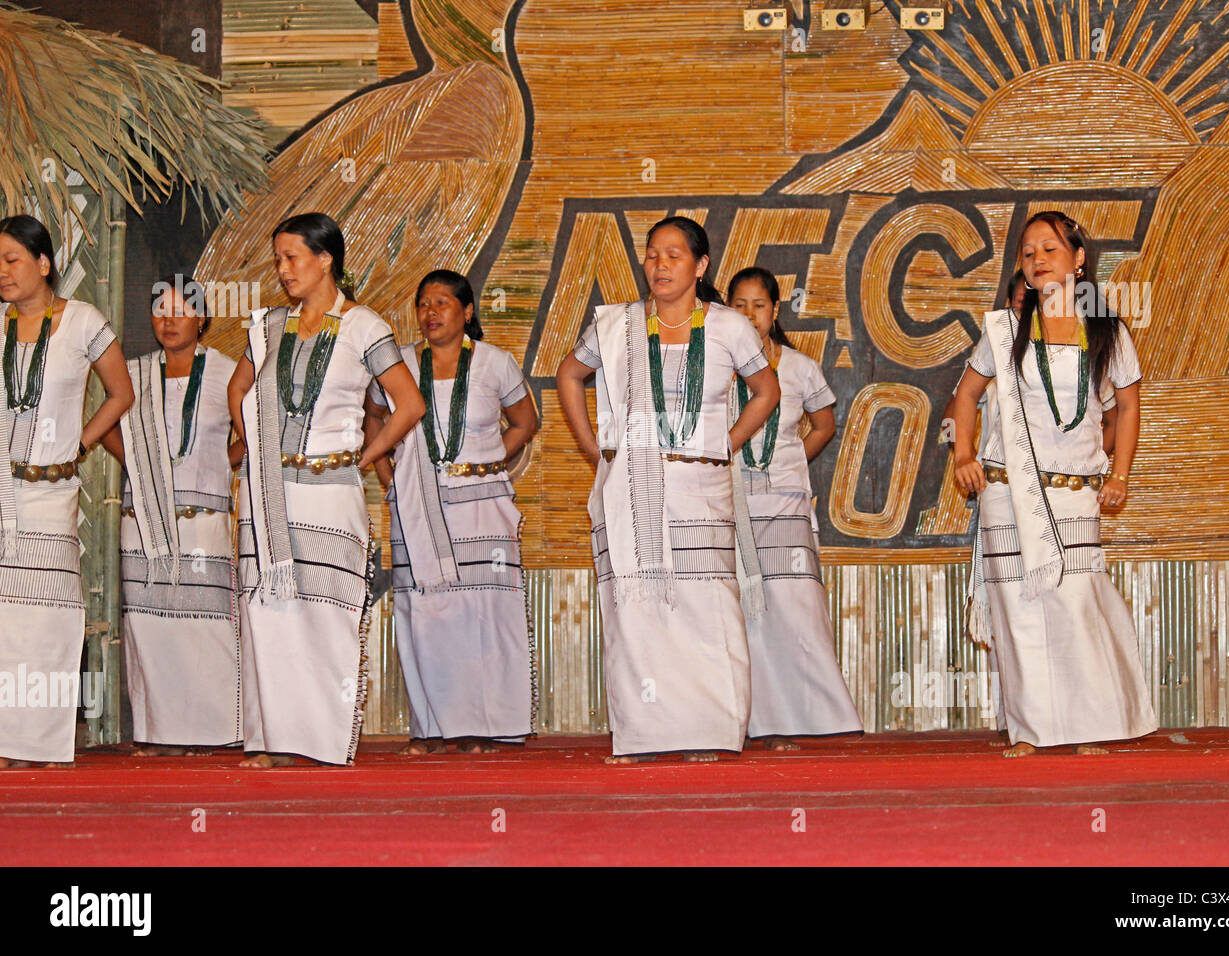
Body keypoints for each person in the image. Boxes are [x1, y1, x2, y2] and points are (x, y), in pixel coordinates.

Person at [556, 216, 780, 763]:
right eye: (652, 254)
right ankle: (645, 734)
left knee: (707, 609)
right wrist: (594, 449)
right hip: (631, 484)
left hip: (700, 486)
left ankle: (713, 731)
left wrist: (725, 442)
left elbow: (766, 391)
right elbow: (568, 375)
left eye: (674, 255)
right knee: (637, 613)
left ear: (701, 267)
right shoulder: (618, 324)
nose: (660, 265)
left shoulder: (727, 325)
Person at [950, 210, 1157, 756]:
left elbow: (1128, 405)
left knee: (1076, 607)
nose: (1037, 260)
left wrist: (1121, 474)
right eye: (1028, 253)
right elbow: (966, 396)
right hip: (1007, 491)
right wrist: (963, 454)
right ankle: (1031, 732)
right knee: (1020, 612)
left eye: (1050, 249)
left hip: (1074, 493)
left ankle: (1087, 724)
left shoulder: (1108, 328)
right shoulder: (1004, 329)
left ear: (1079, 258)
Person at [227, 213, 424, 768]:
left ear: (325, 259)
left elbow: (408, 405)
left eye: (292, 258)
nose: (283, 269)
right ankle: (273, 741)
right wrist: (257, 442)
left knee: (325, 617)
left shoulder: (365, 326)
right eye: (278, 260)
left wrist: (361, 456)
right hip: (268, 495)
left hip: (329, 493)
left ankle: (321, 741)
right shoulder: (266, 327)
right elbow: (237, 388)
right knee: (269, 616)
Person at [365, 270, 538, 755]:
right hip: (416, 505)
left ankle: (489, 726)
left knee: (485, 614)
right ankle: (432, 729)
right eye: (423, 304)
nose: (431, 313)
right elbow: (374, 415)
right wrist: (385, 469)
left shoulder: (494, 362)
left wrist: (486, 466)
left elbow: (526, 421)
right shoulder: (399, 363)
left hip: (482, 510)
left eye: (443, 303)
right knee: (427, 614)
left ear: (467, 312)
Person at [0, 214, 134, 768]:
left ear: (43, 263)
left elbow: (121, 393)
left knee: (48, 620)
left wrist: (77, 446)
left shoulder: (82, 321)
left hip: (52, 496)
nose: (2, 272)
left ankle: (40, 743)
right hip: (1, 490)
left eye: (11, 260)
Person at [102, 275, 244, 756]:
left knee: (207, 628)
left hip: (202, 519)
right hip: (142, 519)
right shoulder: (133, 373)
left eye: (180, 310)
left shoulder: (228, 373)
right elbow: (104, 426)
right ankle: (160, 734)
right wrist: (141, 470)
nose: (168, 320)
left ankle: (216, 730)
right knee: (151, 628)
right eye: (160, 310)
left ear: (202, 317)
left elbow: (252, 435)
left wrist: (224, 463)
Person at [726, 267, 861, 750]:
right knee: (744, 611)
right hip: (731, 501)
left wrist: (789, 463)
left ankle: (814, 716)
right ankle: (753, 720)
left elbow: (823, 424)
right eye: (738, 305)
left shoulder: (800, 367)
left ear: (775, 310)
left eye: (758, 305)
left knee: (795, 609)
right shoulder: (717, 366)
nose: (749, 314)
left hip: (785, 502)